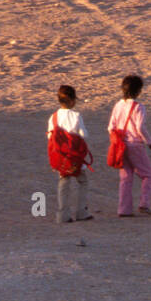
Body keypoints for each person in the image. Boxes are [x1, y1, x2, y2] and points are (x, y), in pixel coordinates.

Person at [108, 74, 151, 216]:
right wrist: (150, 141)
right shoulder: (139, 107)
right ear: (138, 91)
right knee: (148, 175)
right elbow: (140, 127)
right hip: (135, 144)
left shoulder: (118, 105)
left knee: (126, 177)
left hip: (121, 145)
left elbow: (111, 127)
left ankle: (124, 210)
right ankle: (144, 204)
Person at [47, 84, 93, 223]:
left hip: (61, 158)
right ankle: (81, 211)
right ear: (72, 100)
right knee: (82, 181)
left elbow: (50, 137)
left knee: (63, 182)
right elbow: (84, 134)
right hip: (74, 158)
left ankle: (62, 214)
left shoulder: (53, 117)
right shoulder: (76, 116)